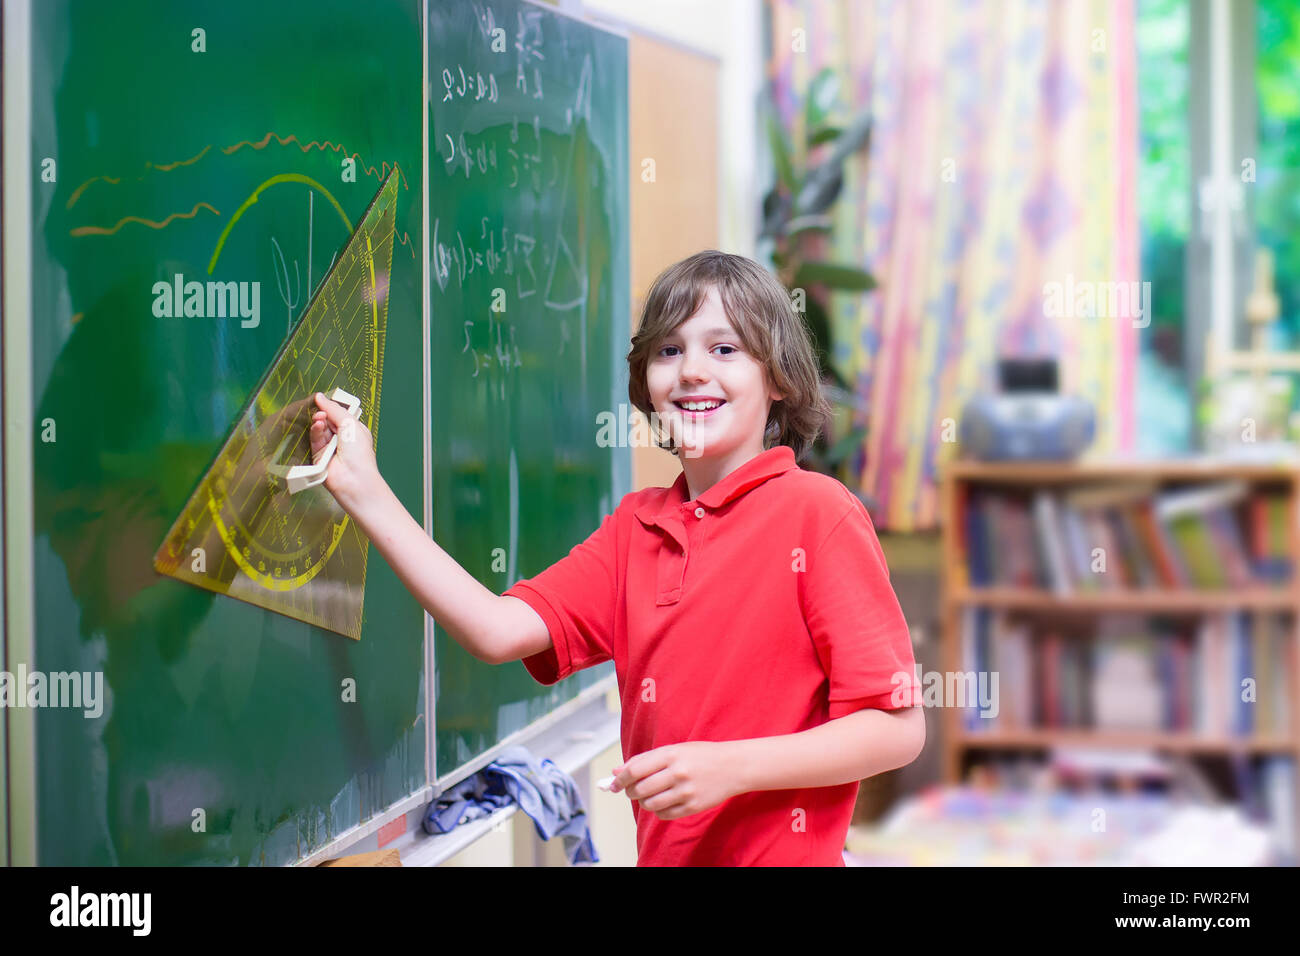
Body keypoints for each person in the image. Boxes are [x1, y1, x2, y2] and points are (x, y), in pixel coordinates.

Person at [310, 249, 925, 866]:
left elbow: (897, 727)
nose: (691, 371)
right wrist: (366, 489)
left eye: (725, 349)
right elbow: (495, 630)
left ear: (778, 379)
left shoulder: (818, 512)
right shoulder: (636, 528)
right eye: (669, 350)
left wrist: (730, 768)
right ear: (645, 379)